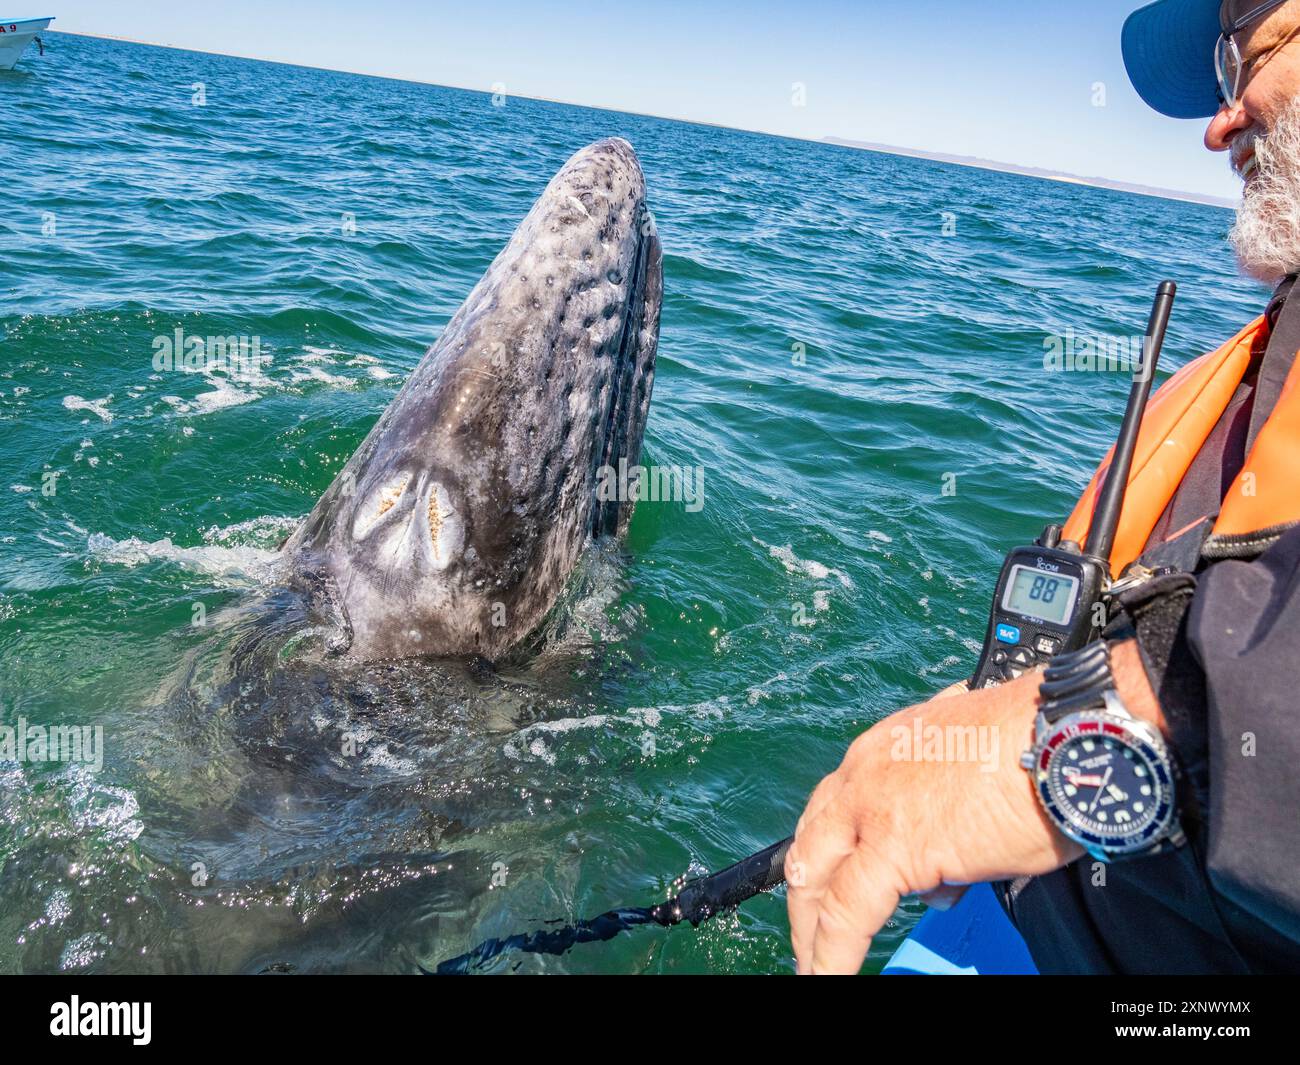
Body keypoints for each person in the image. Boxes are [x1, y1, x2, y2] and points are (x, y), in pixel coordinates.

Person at [785, 0, 1300, 975]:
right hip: (1043, 918)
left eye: (1251, 62)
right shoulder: (1245, 375)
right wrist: (978, 734)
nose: (1218, 125)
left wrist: (1070, 751)